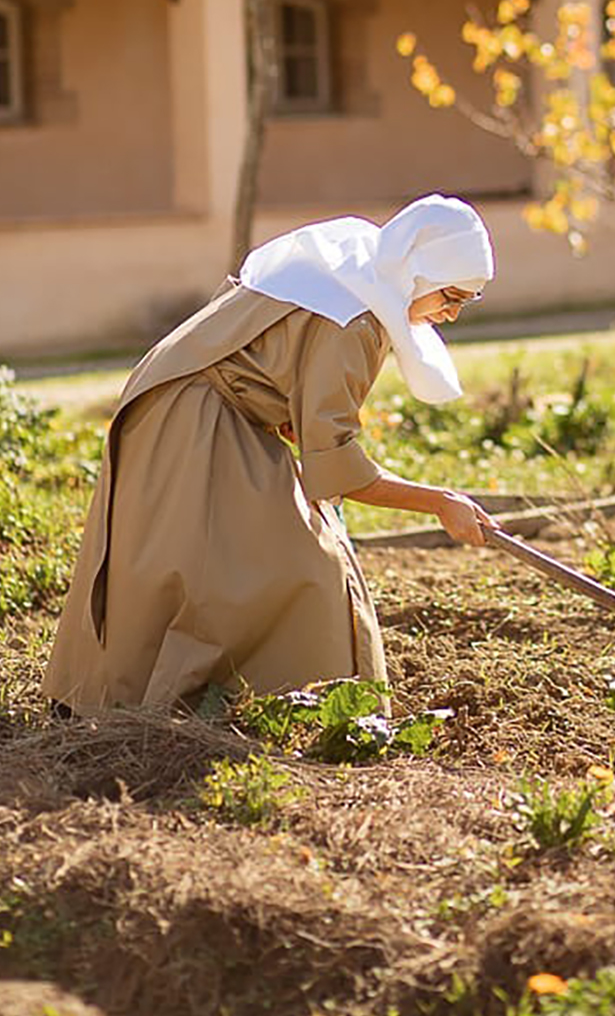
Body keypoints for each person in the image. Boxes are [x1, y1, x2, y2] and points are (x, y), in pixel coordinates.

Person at [42, 193, 498, 718]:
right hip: (195, 412)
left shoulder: (352, 268)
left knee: (197, 558)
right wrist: (440, 503)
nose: (452, 314)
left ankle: (152, 699)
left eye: (466, 302)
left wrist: (280, 402)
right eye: (451, 296)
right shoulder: (357, 321)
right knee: (298, 567)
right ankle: (262, 706)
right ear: (419, 274)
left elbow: (264, 340)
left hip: (187, 392)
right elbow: (337, 468)